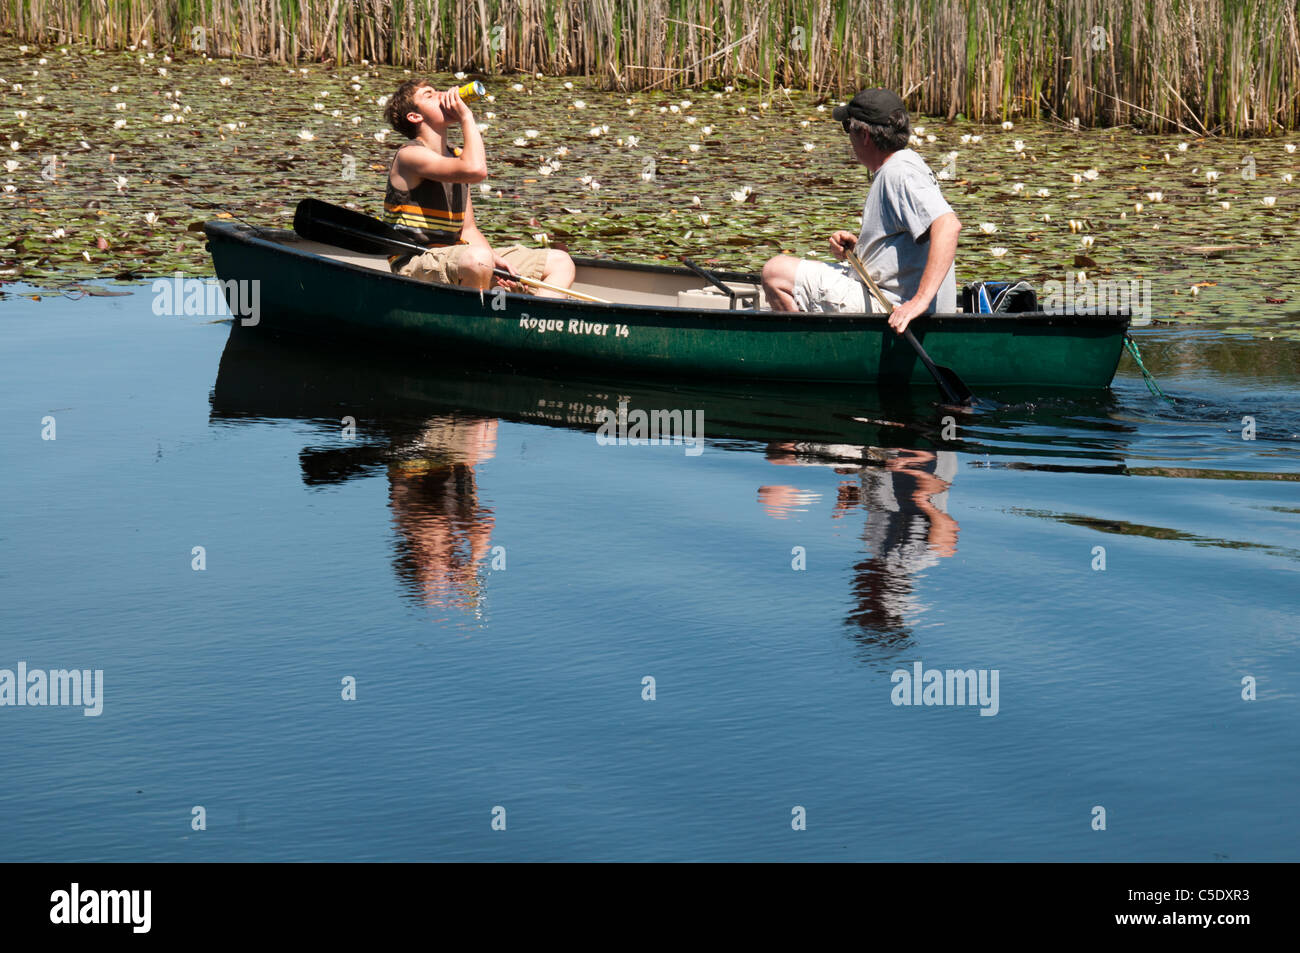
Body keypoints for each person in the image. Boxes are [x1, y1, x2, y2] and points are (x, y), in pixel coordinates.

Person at [761, 88, 960, 334]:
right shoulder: (907, 162)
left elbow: (948, 225)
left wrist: (918, 302)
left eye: (847, 128)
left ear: (864, 134)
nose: (848, 138)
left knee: (775, 272)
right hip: (891, 295)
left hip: (894, 308)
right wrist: (860, 249)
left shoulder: (900, 174)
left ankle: (808, 351)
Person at [381, 79, 576, 296]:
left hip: (461, 257)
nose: (442, 94)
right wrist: (466, 117)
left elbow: (468, 230)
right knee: (478, 259)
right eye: (429, 94)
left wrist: (493, 258)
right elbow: (476, 170)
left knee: (560, 262)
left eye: (437, 90)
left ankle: (533, 322)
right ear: (415, 116)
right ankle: (472, 323)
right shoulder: (409, 155)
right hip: (416, 261)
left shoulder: (456, 158)